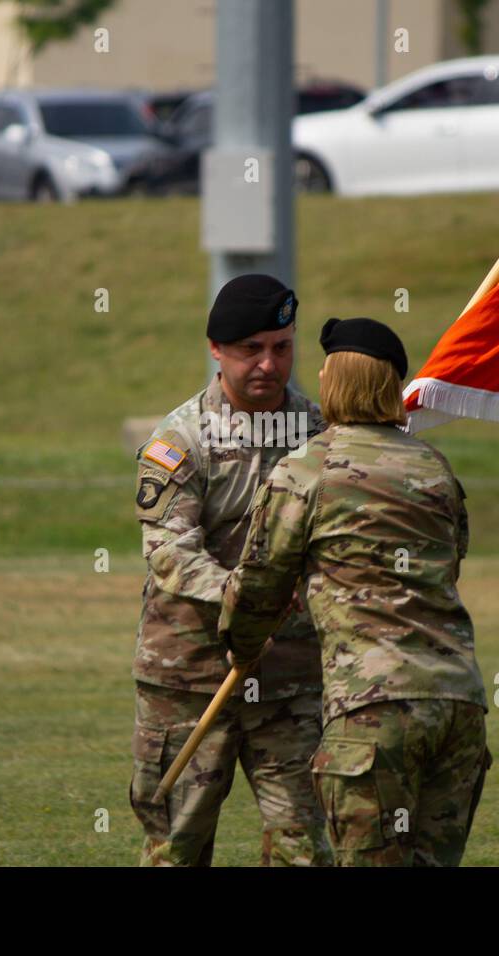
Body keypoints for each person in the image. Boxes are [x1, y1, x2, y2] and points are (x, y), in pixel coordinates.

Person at [219, 317, 491, 867]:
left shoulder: (307, 468)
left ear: (334, 382)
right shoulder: (435, 468)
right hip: (458, 705)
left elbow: (258, 585)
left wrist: (241, 644)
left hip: (372, 713)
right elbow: (450, 564)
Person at [130, 273, 331, 867]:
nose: (269, 364)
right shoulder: (180, 439)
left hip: (289, 680)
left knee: (306, 851)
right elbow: (170, 553)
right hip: (190, 680)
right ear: (216, 349)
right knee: (177, 847)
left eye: (282, 346)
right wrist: (248, 594)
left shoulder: (320, 434)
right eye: (251, 349)